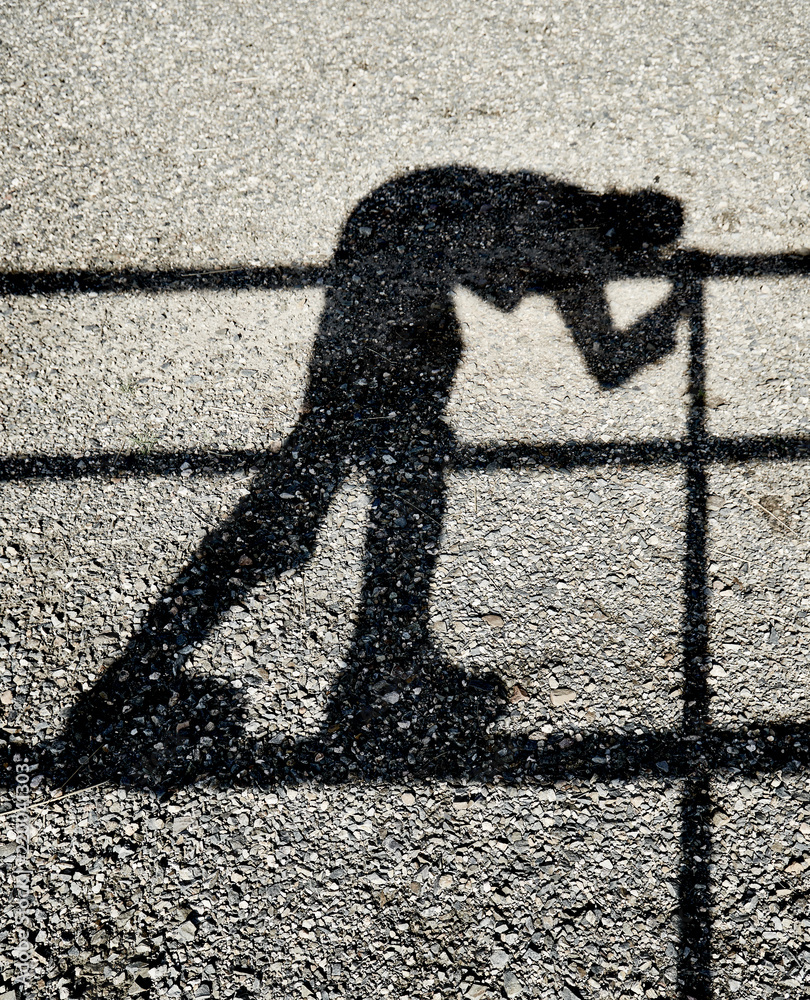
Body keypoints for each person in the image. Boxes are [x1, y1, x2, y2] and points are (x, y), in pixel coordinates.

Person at [49, 166, 684, 789]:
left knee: (352, 455)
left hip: (382, 251)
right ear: (624, 245)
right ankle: (376, 656)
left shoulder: (560, 208)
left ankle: (349, 640)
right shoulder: (569, 240)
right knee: (393, 469)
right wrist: (678, 304)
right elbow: (607, 360)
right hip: (396, 284)